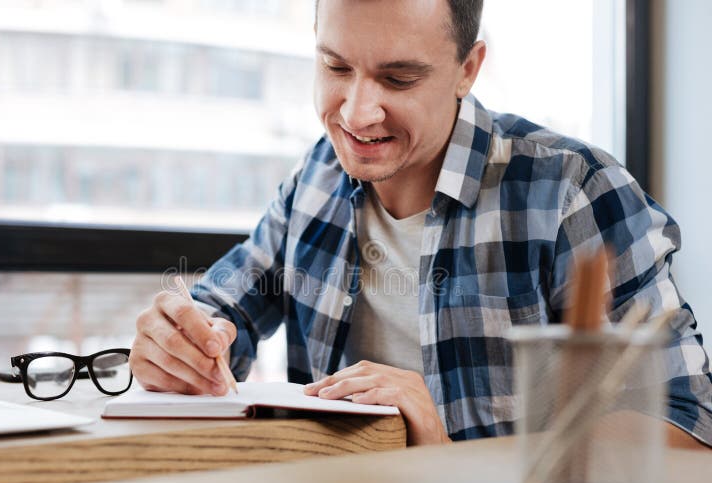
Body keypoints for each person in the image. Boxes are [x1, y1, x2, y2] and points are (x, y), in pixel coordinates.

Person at [130, 0, 712, 448]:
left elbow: (684, 423)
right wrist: (182, 343)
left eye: (398, 79)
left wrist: (447, 450)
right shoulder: (317, 177)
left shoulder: (572, 191)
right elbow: (223, 309)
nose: (357, 114)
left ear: (468, 68)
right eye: (336, 66)